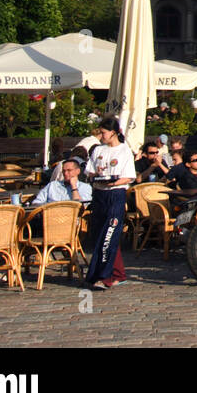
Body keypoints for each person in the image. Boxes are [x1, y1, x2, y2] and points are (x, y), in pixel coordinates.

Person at [84, 117, 135, 290]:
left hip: (115, 195)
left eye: (103, 132)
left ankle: (104, 276)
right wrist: (97, 176)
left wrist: (113, 182)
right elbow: (90, 172)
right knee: (100, 234)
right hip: (99, 194)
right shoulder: (98, 149)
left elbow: (128, 177)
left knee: (109, 235)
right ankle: (118, 274)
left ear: (113, 132)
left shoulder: (124, 151)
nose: (101, 135)